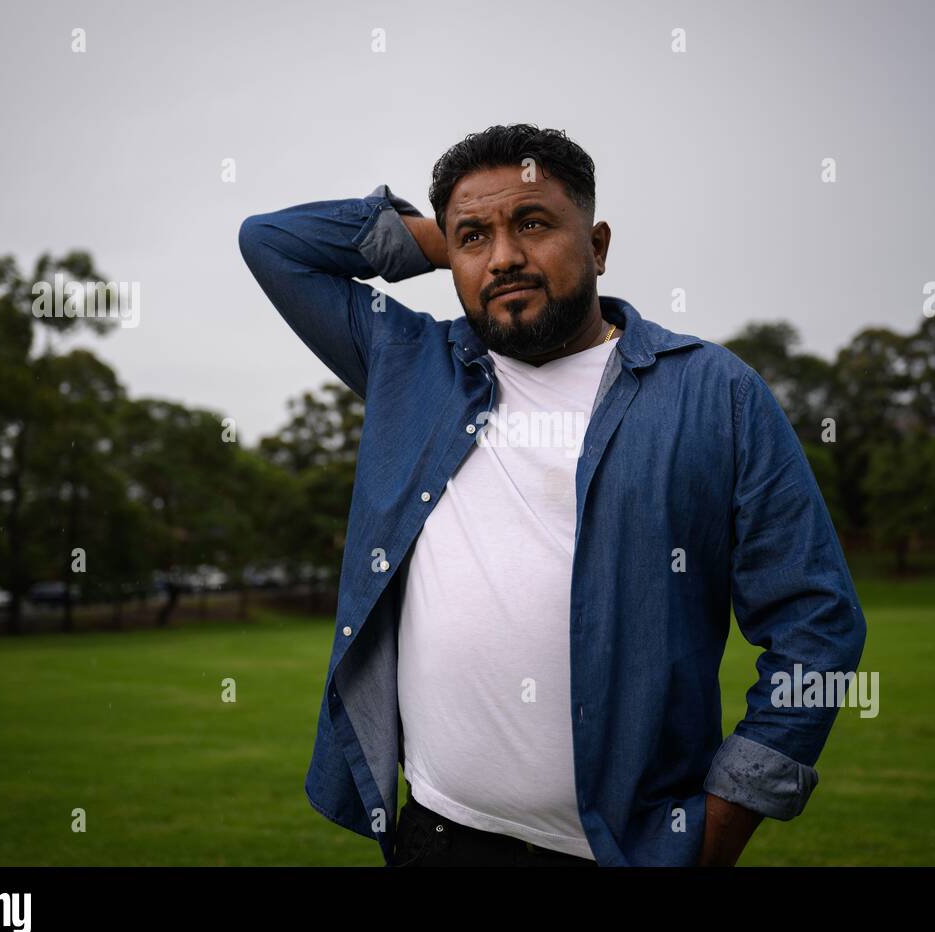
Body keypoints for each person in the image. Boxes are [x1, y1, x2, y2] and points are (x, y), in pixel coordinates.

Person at [238, 123, 866, 867]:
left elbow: (815, 623)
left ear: (597, 245)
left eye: (533, 224)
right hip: (437, 836)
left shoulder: (712, 393)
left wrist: (727, 821)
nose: (504, 257)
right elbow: (270, 243)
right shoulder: (410, 366)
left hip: (627, 855)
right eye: (474, 237)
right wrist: (454, 239)